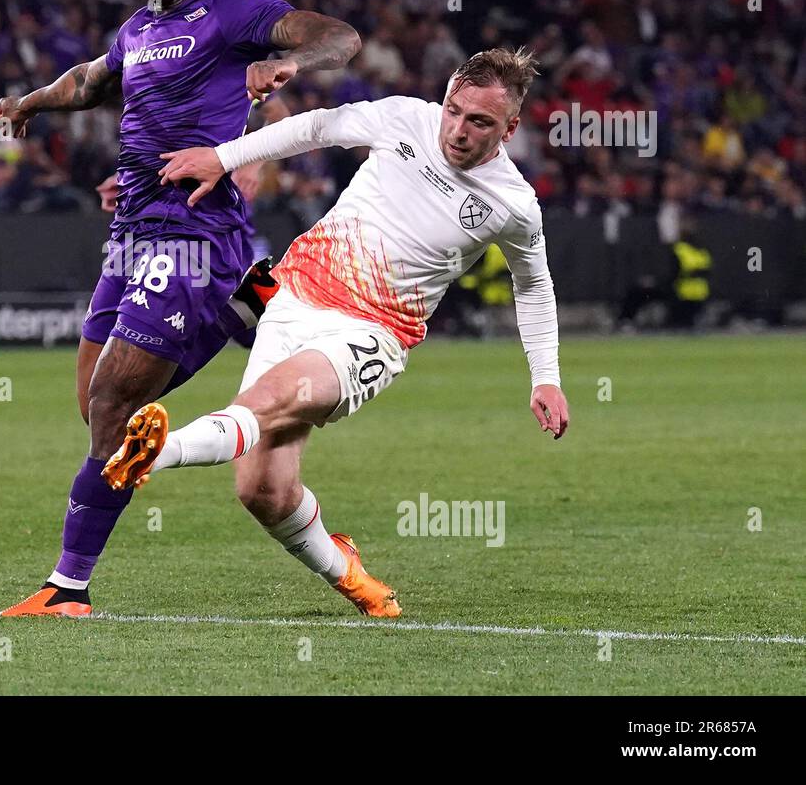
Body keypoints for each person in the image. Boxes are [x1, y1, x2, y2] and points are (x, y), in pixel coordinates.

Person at [0, 0, 362, 617]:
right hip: (131, 231)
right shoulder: (137, 31)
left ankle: (69, 588)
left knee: (115, 400)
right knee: (98, 412)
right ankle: (250, 306)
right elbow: (92, 82)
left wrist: (286, 62)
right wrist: (31, 101)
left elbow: (339, 38)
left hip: (191, 230)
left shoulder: (231, 11)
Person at [102, 48, 571, 617]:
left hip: (374, 331)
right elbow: (318, 127)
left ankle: (153, 453)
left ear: (510, 128)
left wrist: (545, 378)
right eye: (454, 110)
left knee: (277, 398)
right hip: (296, 295)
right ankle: (345, 570)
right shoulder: (404, 118)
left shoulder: (514, 204)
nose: (458, 130)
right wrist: (224, 158)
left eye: (480, 122)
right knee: (262, 491)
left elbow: (533, 285)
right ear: (445, 96)